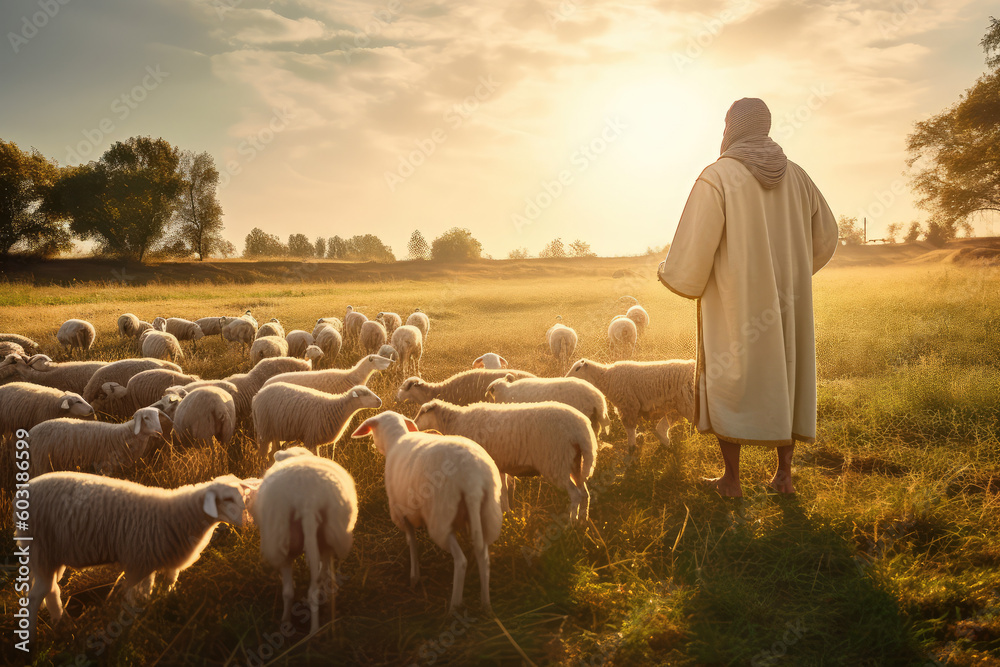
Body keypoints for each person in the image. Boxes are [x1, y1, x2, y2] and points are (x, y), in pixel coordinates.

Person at [657, 97, 839, 497]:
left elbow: (696, 241)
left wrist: (675, 270)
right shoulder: (798, 176)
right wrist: (794, 270)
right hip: (788, 300)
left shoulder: (718, 175)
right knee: (786, 378)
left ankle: (732, 480)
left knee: (730, 378)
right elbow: (827, 233)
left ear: (731, 127)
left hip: (735, 302)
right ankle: (784, 476)